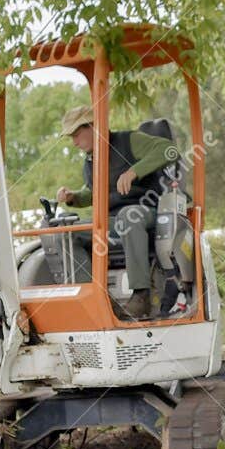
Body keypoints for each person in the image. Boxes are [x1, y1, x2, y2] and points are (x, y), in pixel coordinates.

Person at [56, 104, 180, 319]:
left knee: (127, 217)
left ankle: (141, 295)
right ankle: (93, 296)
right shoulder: (90, 161)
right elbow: (93, 193)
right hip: (112, 220)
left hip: (147, 211)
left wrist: (134, 171)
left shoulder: (129, 141)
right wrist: (73, 197)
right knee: (65, 230)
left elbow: (170, 150)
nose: (74, 142)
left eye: (76, 134)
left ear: (94, 126)